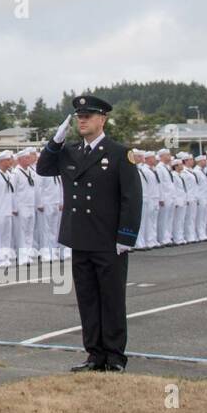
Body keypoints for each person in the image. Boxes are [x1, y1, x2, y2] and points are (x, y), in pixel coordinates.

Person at [37, 95, 141, 372]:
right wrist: (54, 142)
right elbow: (43, 168)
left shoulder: (119, 153)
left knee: (112, 299)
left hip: (108, 240)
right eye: (79, 117)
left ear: (102, 119)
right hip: (80, 238)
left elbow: (131, 198)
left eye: (88, 116)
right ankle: (94, 354)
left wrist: (126, 237)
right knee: (87, 299)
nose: (82, 120)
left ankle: (115, 356)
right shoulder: (70, 152)